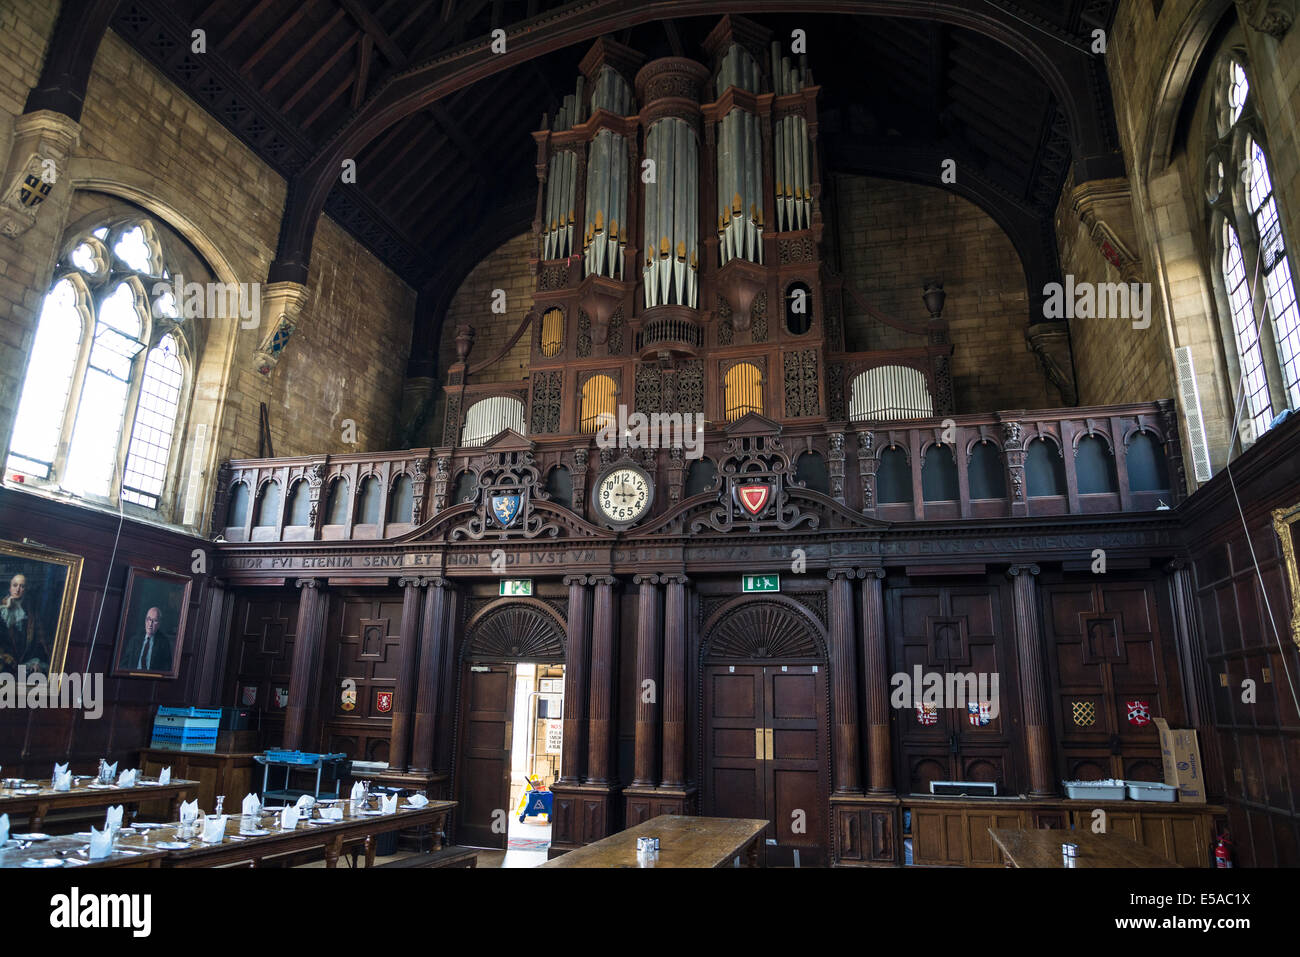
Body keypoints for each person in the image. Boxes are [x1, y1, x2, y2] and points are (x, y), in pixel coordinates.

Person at [0, 573, 49, 676]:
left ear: (25, 590)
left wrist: (36, 661)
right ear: (10, 588)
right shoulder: (2, 609)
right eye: (15, 585)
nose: (17, 589)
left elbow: (39, 642)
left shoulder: (31, 613)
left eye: (22, 586)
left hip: (24, 663)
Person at [119, 605, 173, 673]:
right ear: (145, 620)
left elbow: (166, 668)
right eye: (149, 619)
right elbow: (123, 664)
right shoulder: (134, 640)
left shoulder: (164, 643)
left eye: (155, 620)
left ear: (159, 624)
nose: (150, 624)